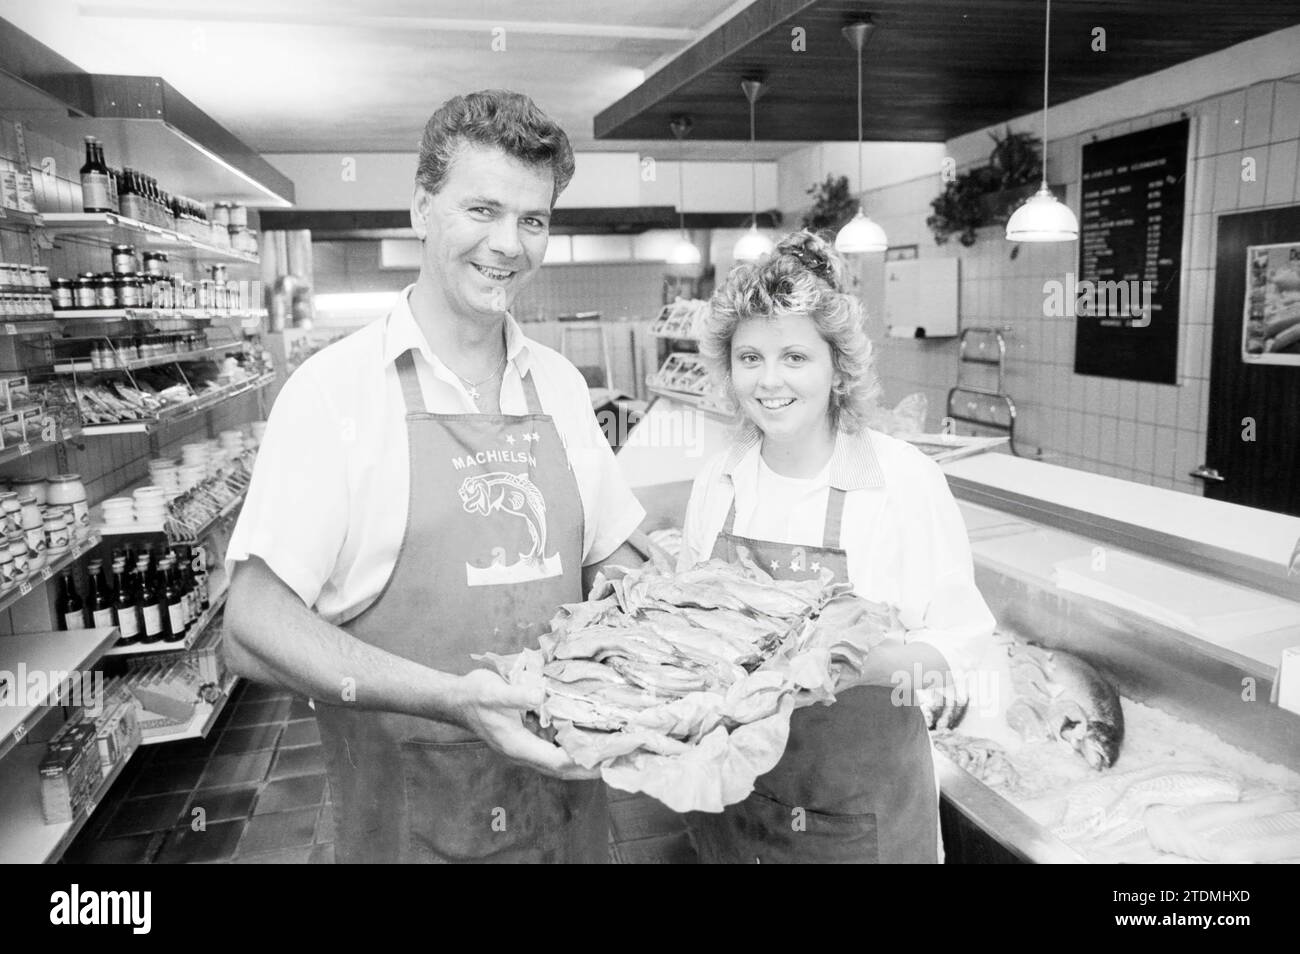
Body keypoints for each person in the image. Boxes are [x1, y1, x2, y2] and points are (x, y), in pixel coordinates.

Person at [224, 90, 646, 864]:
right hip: (410, 832)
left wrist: (661, 631)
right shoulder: (333, 394)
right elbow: (252, 624)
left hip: (569, 819)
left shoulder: (558, 384)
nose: (508, 244)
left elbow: (608, 556)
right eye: (481, 210)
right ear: (422, 206)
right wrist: (454, 700)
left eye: (534, 220)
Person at [678, 230, 995, 863]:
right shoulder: (721, 477)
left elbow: (960, 648)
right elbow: (693, 626)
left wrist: (841, 666)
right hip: (738, 809)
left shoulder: (901, 479)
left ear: (836, 365)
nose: (769, 381)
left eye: (795, 356)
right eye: (750, 358)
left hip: (860, 816)